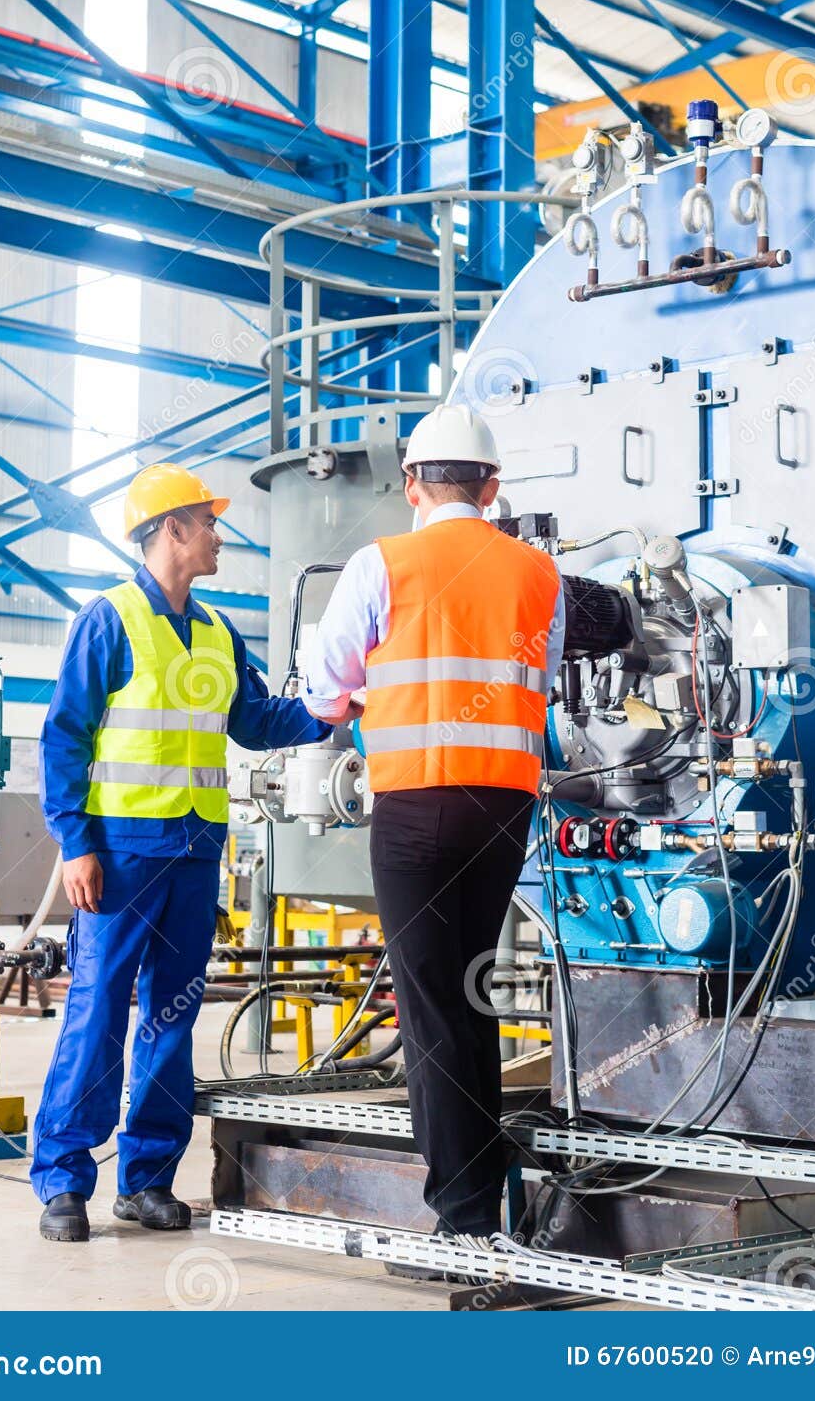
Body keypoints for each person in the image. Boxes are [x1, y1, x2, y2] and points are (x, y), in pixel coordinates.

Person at [33, 462, 329, 1242]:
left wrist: (335, 707)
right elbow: (63, 736)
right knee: (98, 1011)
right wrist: (75, 843)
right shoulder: (109, 619)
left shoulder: (216, 631)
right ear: (172, 529)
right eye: (207, 522)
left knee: (172, 1015)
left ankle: (147, 1180)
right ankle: (63, 1181)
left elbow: (256, 721)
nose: (218, 536)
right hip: (119, 852)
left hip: (196, 851)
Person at [301, 406, 564, 1259]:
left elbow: (324, 690)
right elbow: (542, 677)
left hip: (415, 808)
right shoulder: (539, 573)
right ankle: (480, 1181)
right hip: (503, 808)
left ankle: (463, 1213)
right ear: (491, 489)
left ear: (412, 484)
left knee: (429, 1004)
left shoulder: (380, 563)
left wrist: (358, 697)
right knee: (472, 990)